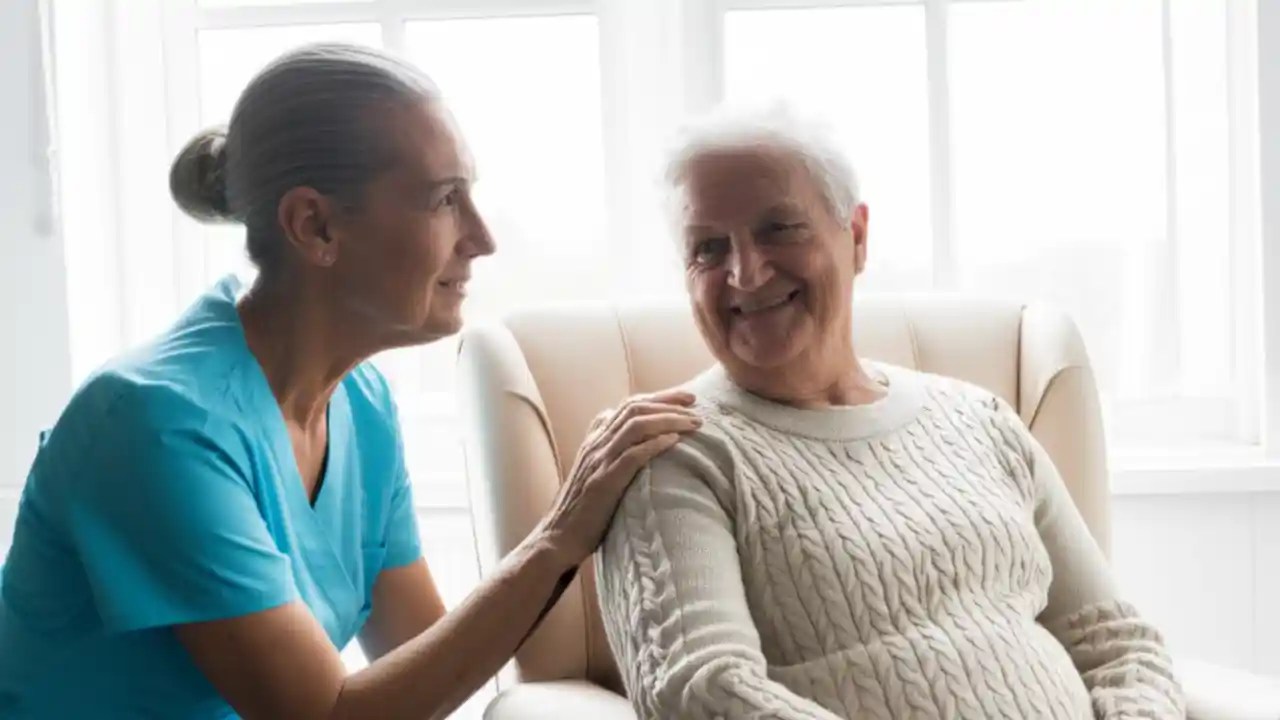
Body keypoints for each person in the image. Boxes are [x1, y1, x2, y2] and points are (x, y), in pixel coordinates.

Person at [0, 43, 700, 719]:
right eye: (445, 199)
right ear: (314, 225)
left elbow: (424, 665)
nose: (481, 237)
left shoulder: (360, 405)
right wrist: (558, 535)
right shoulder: (156, 424)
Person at [594, 106, 1185, 719]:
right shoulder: (672, 455)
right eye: (708, 248)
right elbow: (705, 695)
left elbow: (1117, 646)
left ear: (856, 237)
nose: (745, 272)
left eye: (779, 228)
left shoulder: (980, 421)